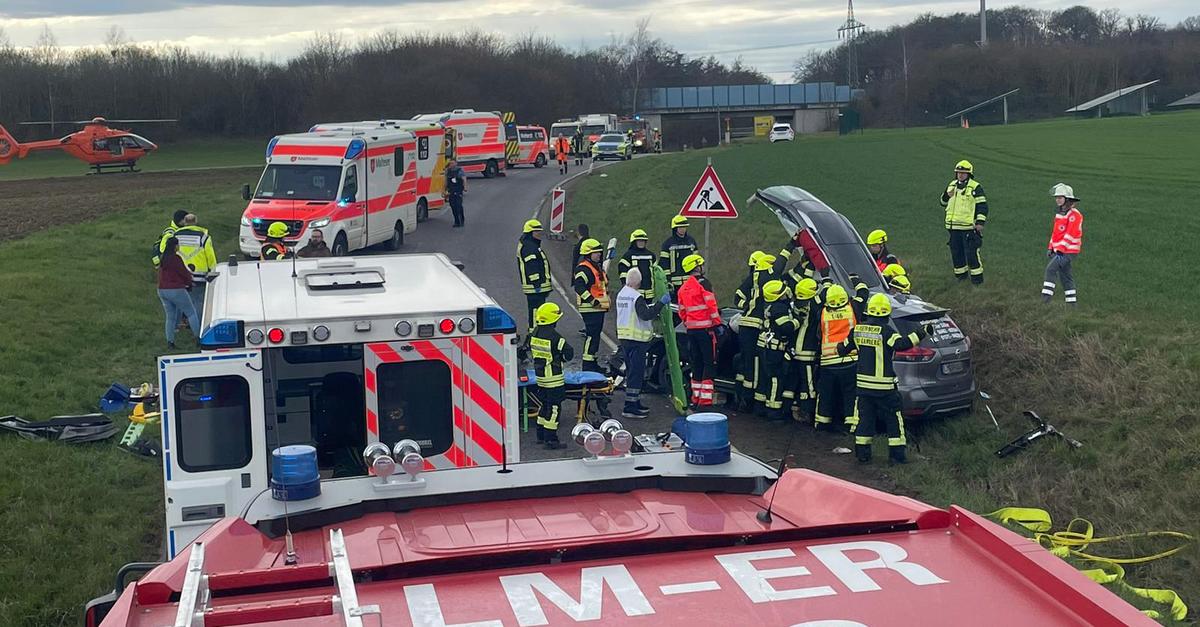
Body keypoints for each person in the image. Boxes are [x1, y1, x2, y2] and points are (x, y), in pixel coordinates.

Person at [839, 294, 928, 464]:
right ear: (887, 314)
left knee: (865, 421)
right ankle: (897, 457)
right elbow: (901, 344)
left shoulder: (857, 330)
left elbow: (842, 349)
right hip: (885, 388)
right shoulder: (887, 332)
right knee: (894, 421)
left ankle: (862, 455)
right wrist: (921, 333)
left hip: (863, 389)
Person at [814, 276, 868, 432]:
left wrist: (826, 282)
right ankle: (851, 424)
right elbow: (863, 293)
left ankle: (822, 423)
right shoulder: (854, 307)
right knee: (850, 394)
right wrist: (855, 279)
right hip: (850, 359)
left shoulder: (822, 312)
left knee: (826, 394)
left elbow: (818, 300)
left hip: (828, 362)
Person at [616, 267, 670, 418]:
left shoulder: (622, 294)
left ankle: (634, 401)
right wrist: (660, 304)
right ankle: (630, 406)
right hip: (636, 340)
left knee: (631, 371)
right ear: (638, 282)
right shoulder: (636, 296)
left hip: (625, 337)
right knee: (636, 373)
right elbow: (645, 315)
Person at [525, 302, 574, 449]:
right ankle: (551, 440)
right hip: (554, 378)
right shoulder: (556, 338)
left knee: (544, 405)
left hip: (540, 377)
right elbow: (569, 353)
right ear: (553, 319)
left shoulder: (534, 334)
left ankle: (540, 435)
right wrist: (560, 358)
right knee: (554, 408)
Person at [677, 254, 722, 409]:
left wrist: (689, 323)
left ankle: (695, 398)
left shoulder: (683, 288)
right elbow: (711, 305)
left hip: (691, 330)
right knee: (708, 363)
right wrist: (717, 323)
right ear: (697, 266)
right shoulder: (704, 283)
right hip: (706, 330)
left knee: (696, 364)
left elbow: (682, 311)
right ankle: (705, 401)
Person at [939, 160, 988, 284]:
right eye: (958, 172)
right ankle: (961, 279)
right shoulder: (952, 185)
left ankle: (977, 281)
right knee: (957, 255)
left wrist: (980, 222)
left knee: (971, 255)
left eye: (963, 173)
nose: (960, 175)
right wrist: (947, 195)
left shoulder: (975, 187)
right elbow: (943, 202)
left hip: (968, 227)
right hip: (953, 227)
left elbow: (982, 206)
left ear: (969, 174)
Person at [756, 280, 798, 421]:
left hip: (766, 347)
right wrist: (798, 320)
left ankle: (760, 407)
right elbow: (786, 327)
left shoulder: (769, 305)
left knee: (765, 378)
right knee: (775, 379)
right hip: (774, 350)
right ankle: (773, 410)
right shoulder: (779, 308)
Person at [573, 238, 610, 372]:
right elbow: (579, 287)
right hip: (590, 309)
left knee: (595, 336)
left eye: (599, 252)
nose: (599, 254)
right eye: (596, 252)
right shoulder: (583, 268)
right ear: (588, 254)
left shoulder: (596, 267)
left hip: (598, 308)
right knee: (592, 336)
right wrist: (592, 301)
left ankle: (592, 363)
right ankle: (588, 365)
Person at [1043, 183, 1083, 305]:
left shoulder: (1075, 215)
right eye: (1056, 197)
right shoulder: (1060, 214)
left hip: (1068, 251)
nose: (1057, 200)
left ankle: (1045, 301)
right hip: (1060, 251)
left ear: (1067, 199)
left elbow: (1070, 234)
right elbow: (1056, 234)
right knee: (1066, 277)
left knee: (1050, 270)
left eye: (1060, 197)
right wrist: (1051, 247)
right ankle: (1072, 305)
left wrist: (1060, 249)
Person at [733, 251, 765, 404]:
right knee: (751, 362)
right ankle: (747, 397)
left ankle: (741, 396)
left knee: (746, 361)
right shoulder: (754, 280)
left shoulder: (759, 280)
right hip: (752, 326)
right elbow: (737, 298)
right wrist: (747, 306)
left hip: (747, 327)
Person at [788, 277, 821, 421]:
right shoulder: (813, 306)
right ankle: (807, 412)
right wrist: (826, 282)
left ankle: (793, 408)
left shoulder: (795, 305)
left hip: (795, 350)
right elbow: (821, 299)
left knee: (795, 382)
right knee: (808, 385)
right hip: (807, 351)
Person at [157, 237, 200, 349]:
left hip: (162, 290)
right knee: (191, 312)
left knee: (170, 317)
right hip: (175, 289)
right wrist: (190, 283)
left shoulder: (163, 259)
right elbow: (184, 273)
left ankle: (170, 342)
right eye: (178, 244)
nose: (179, 246)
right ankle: (198, 339)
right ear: (175, 246)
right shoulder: (176, 258)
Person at [173, 213, 217, 317]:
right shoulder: (203, 237)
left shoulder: (175, 236)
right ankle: (197, 324)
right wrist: (213, 271)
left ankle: (184, 320)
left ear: (184, 222)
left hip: (180, 275)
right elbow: (210, 256)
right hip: (199, 276)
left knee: (182, 300)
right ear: (195, 222)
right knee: (198, 302)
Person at [517, 219, 553, 328]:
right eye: (537, 232)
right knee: (535, 310)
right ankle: (533, 331)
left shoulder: (530, 244)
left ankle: (536, 329)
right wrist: (537, 284)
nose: (539, 234)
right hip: (535, 287)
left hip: (537, 286)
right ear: (530, 233)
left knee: (537, 309)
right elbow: (532, 267)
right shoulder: (529, 247)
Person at [659, 215, 698, 295]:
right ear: (675, 228)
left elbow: (696, 261)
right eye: (680, 227)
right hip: (674, 283)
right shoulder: (668, 244)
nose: (683, 229)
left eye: (684, 227)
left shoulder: (691, 241)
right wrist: (668, 280)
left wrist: (697, 276)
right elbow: (664, 264)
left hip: (690, 281)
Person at [618, 229, 656, 301]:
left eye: (643, 241)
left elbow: (656, 272)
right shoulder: (628, 255)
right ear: (634, 242)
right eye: (639, 241)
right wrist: (625, 284)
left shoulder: (651, 255)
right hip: (634, 292)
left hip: (649, 292)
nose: (641, 243)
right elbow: (622, 270)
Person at [445, 159, 467, 227]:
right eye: (450, 163)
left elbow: (464, 179)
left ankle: (461, 220)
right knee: (453, 206)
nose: (451, 165)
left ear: (456, 163)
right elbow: (446, 181)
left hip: (458, 190)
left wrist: (465, 187)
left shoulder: (459, 170)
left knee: (458, 205)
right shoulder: (448, 171)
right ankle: (456, 221)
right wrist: (444, 190)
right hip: (451, 190)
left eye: (453, 163)